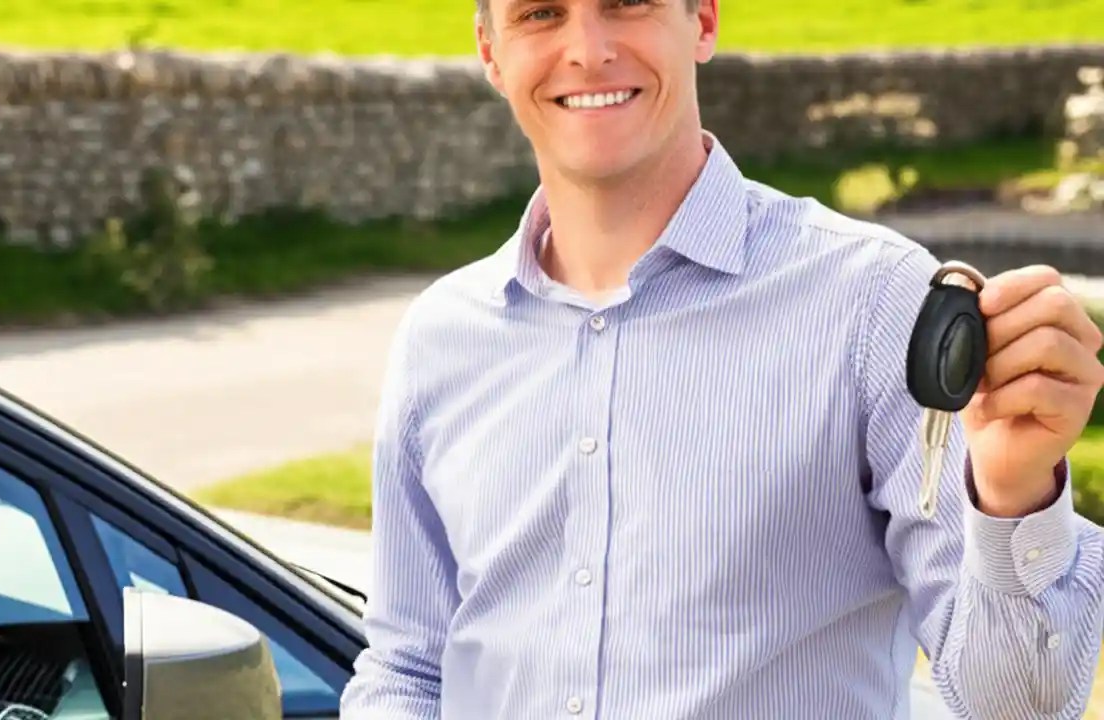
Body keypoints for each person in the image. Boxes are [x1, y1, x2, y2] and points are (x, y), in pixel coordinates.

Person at [338, 0, 1104, 717]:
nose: (587, 50)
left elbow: (1018, 704)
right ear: (491, 53)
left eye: (627, 2)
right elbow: (407, 670)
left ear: (702, 18)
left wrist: (1013, 492)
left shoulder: (875, 303)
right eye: (541, 13)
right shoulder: (441, 339)